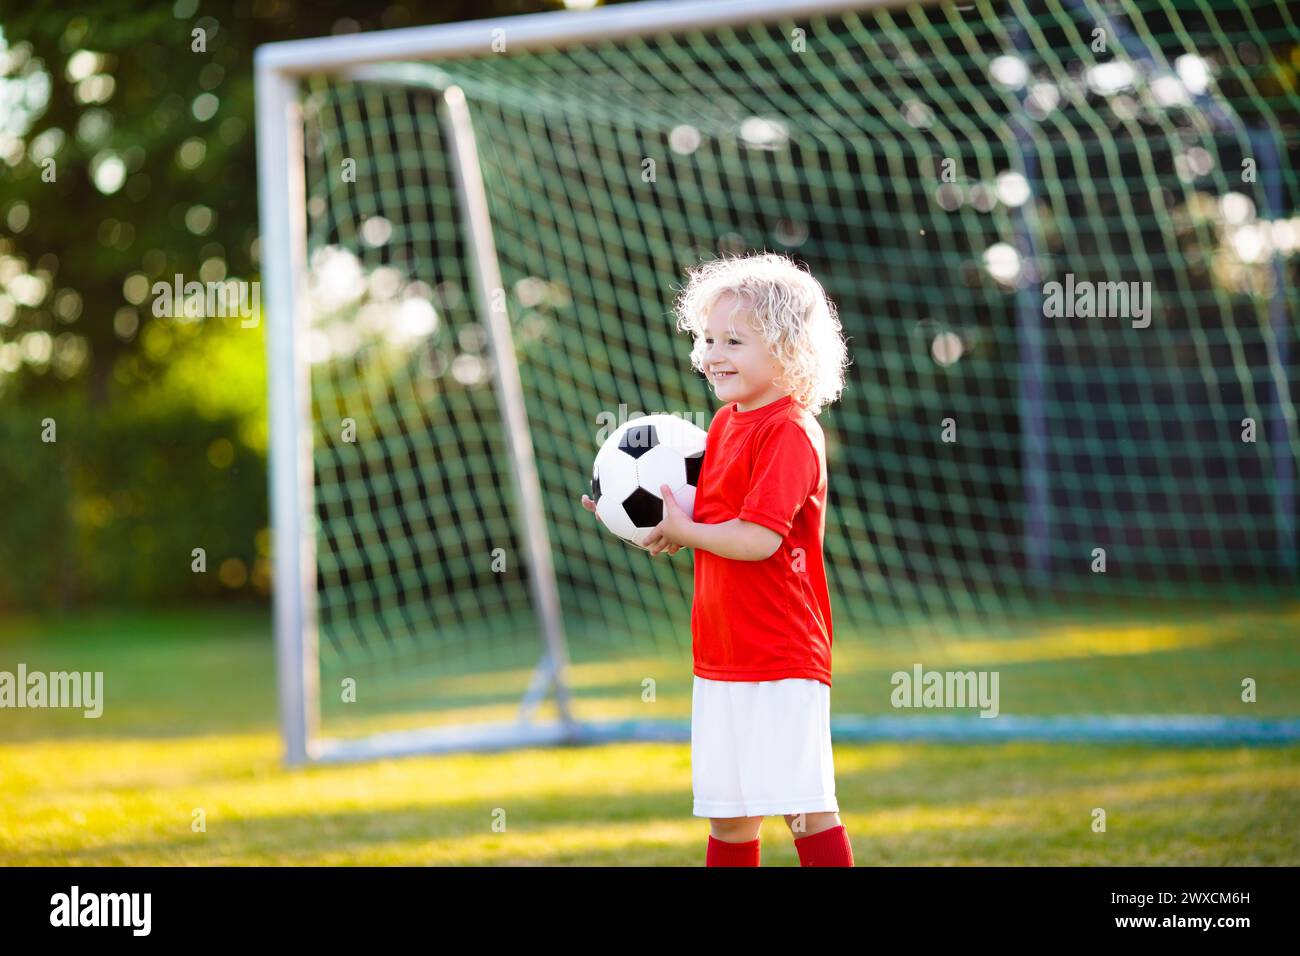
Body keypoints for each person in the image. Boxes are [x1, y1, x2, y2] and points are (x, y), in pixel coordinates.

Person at [582, 252, 853, 866]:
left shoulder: (789, 431)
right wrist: (645, 518)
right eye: (706, 338)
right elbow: (716, 519)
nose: (712, 354)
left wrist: (682, 525)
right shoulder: (727, 424)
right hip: (722, 653)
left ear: (787, 348)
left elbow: (758, 539)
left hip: (780, 654)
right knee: (730, 821)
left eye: (734, 340)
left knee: (806, 812)